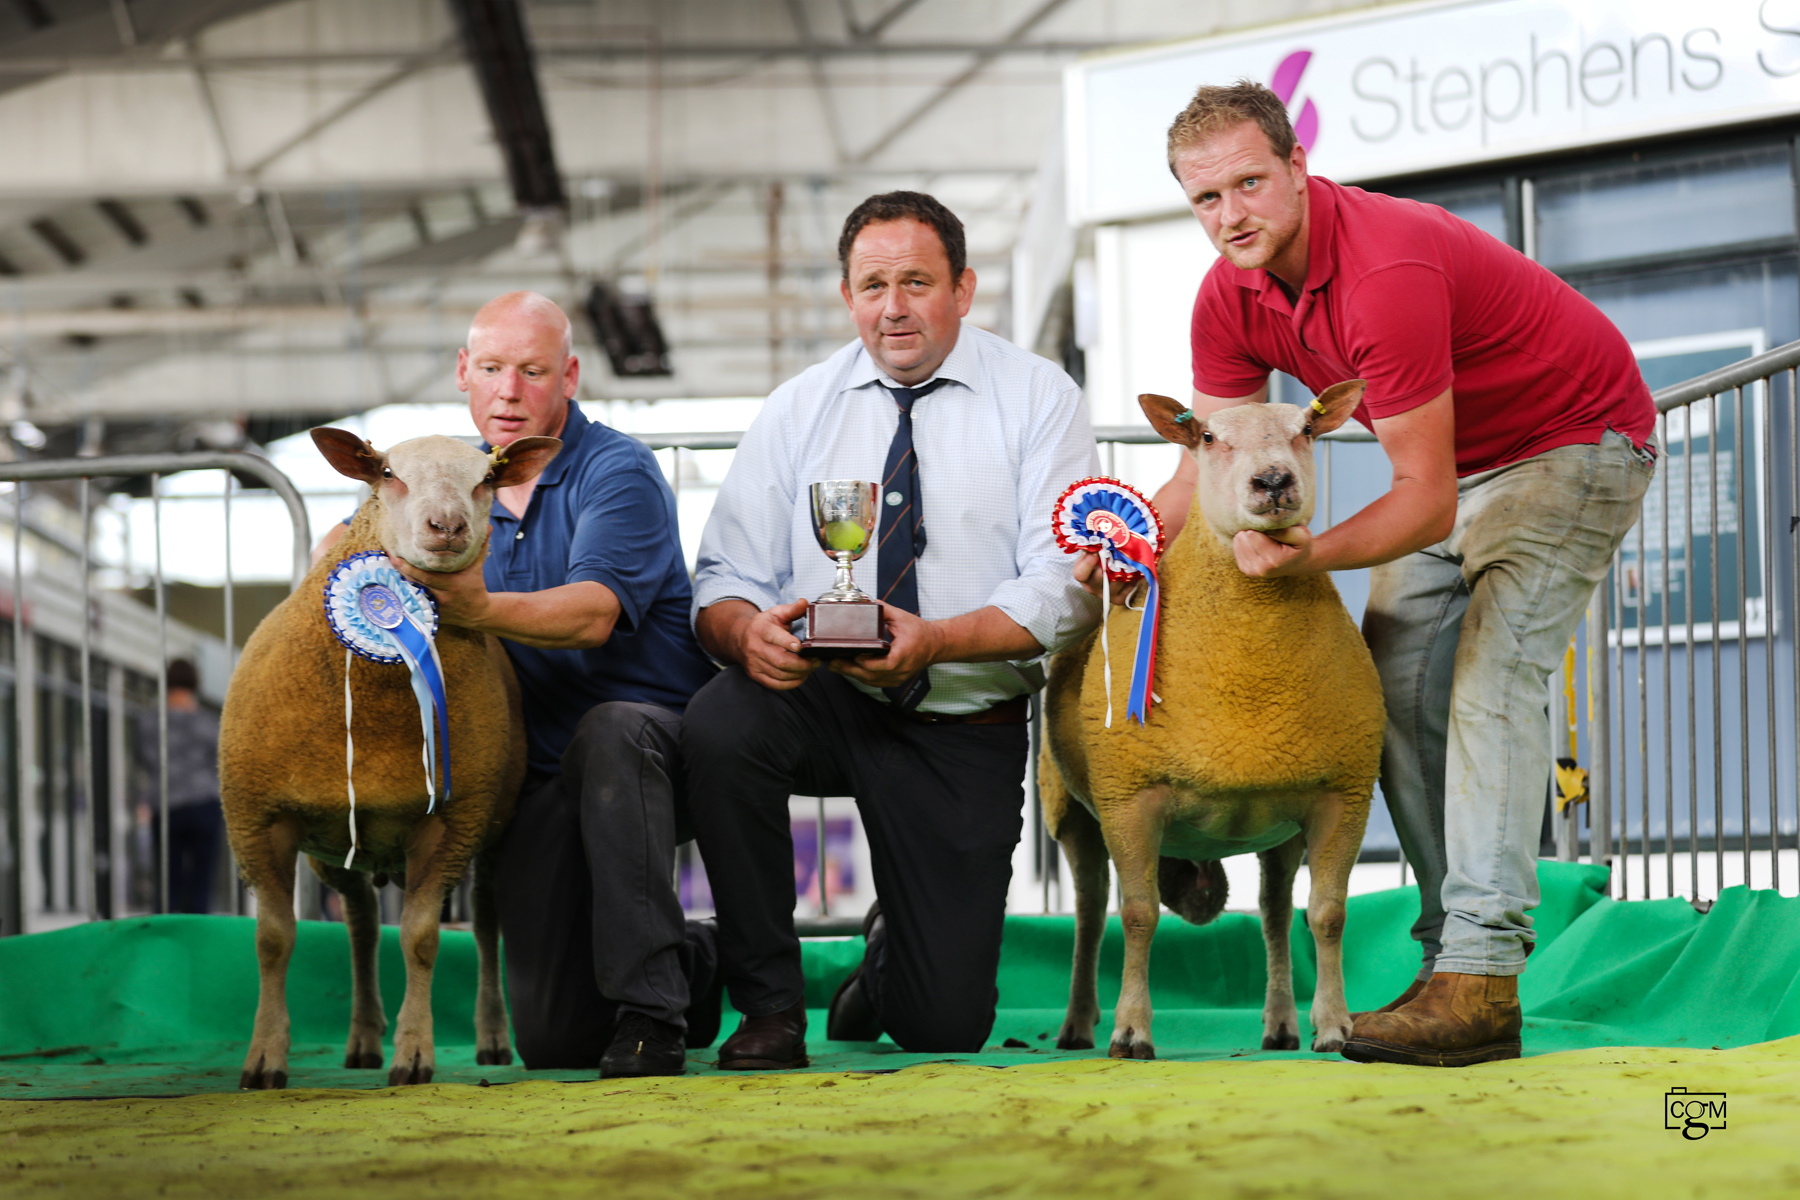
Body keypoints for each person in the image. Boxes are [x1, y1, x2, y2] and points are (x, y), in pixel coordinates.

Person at [1117, 82, 1656, 1067]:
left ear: (1297, 169)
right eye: (1205, 199)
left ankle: (1481, 974)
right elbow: (1204, 468)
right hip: (1462, 465)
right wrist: (1127, 544)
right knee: (1395, 685)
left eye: (1249, 182)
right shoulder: (1225, 297)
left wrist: (1303, 556)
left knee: (1492, 680)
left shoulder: (1383, 273)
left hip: (1573, 443)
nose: (1230, 216)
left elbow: (1424, 499)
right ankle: (1454, 961)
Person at [683, 191, 1101, 1068]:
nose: (894, 306)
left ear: (964, 289)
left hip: (961, 719)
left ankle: (887, 960)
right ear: (847, 296)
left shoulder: (1038, 397)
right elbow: (722, 576)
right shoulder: (799, 407)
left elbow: (1065, 589)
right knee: (720, 722)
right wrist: (744, 633)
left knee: (940, 1025)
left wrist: (939, 641)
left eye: (917, 281)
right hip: (823, 701)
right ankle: (768, 1006)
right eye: (873, 284)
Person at [314, 291, 720, 1078]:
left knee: (611, 730)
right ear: (465, 372)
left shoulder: (617, 471)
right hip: (539, 773)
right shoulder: (451, 479)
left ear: (568, 376)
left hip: (650, 753)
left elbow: (594, 615)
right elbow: (353, 537)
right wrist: (339, 561)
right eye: (493, 368)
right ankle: (704, 960)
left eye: (532, 371)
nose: (509, 390)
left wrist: (478, 606)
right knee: (555, 1039)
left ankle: (653, 1015)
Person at [134, 658, 224, 914]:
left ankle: (167, 938)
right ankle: (199, 939)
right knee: (202, 881)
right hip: (204, 804)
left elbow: (143, 759)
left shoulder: (149, 723)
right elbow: (221, 759)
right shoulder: (207, 723)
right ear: (195, 684)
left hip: (166, 805)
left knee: (167, 880)